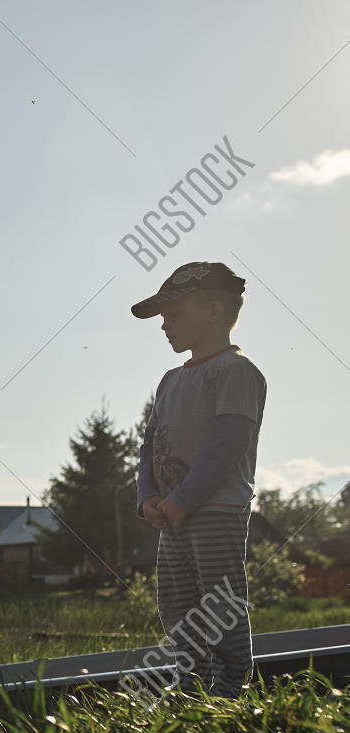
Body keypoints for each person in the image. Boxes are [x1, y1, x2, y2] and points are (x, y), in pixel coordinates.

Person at [131, 261, 266, 698]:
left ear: (212, 312)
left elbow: (229, 444)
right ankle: (192, 686)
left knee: (218, 603)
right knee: (177, 605)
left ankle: (229, 689)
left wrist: (184, 498)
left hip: (214, 511)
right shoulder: (170, 380)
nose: (164, 326)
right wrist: (148, 497)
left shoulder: (235, 371)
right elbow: (150, 446)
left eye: (173, 315)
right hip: (172, 515)